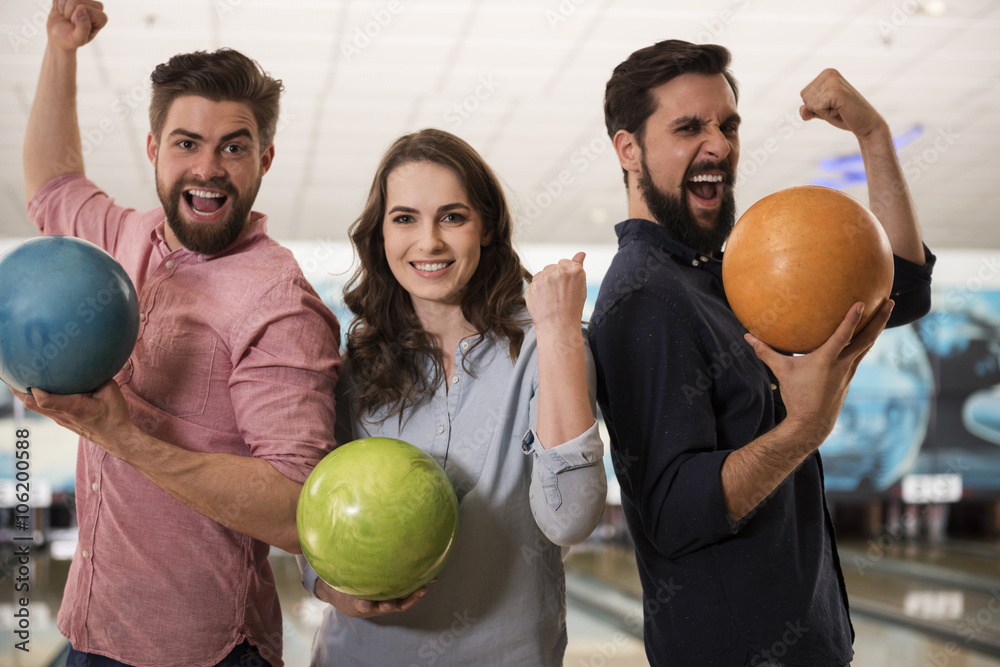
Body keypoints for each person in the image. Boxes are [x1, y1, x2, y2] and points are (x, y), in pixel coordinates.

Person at [588, 40, 934, 667]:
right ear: (628, 150)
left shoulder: (725, 275)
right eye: (689, 128)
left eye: (728, 126)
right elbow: (674, 513)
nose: (719, 145)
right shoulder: (645, 296)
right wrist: (804, 428)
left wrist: (873, 137)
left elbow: (899, 293)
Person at [17, 2, 341, 665]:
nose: (208, 168)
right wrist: (61, 49)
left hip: (203, 651)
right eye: (187, 143)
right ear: (154, 150)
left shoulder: (279, 303)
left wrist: (122, 437)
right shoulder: (123, 239)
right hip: (89, 628)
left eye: (234, 147)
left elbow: (296, 509)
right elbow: (53, 184)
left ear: (265, 158)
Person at [297, 128, 607, 665]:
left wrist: (558, 331)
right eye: (405, 218)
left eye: (452, 217)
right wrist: (325, 585)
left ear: (485, 227)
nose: (429, 242)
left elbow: (570, 519)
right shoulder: (359, 363)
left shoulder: (546, 345)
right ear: (381, 234)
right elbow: (314, 509)